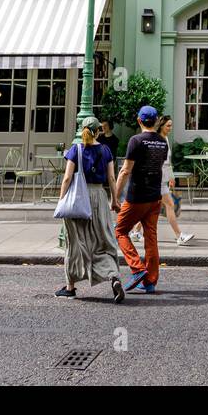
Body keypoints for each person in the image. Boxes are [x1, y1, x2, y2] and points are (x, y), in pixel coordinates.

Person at [57, 116, 125, 302]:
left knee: (77, 241)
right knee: (103, 239)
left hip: (79, 198)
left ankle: (70, 286)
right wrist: (114, 200)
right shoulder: (106, 150)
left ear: (82, 129)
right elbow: (112, 178)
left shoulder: (75, 150)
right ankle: (113, 276)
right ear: (98, 131)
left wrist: (62, 200)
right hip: (99, 197)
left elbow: (67, 178)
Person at [114, 106, 170, 293]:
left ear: (139, 120)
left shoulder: (136, 140)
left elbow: (125, 171)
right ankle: (151, 282)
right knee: (151, 237)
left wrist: (115, 195)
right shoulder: (163, 142)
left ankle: (137, 269)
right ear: (155, 122)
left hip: (137, 196)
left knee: (120, 231)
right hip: (155, 197)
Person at [131, 114, 194, 246]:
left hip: (161, 178)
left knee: (150, 207)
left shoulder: (165, 138)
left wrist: (170, 176)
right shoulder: (159, 139)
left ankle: (135, 232)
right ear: (161, 126)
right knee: (170, 205)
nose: (170, 128)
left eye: (171, 125)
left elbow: (167, 162)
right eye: (168, 125)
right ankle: (179, 236)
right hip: (158, 178)